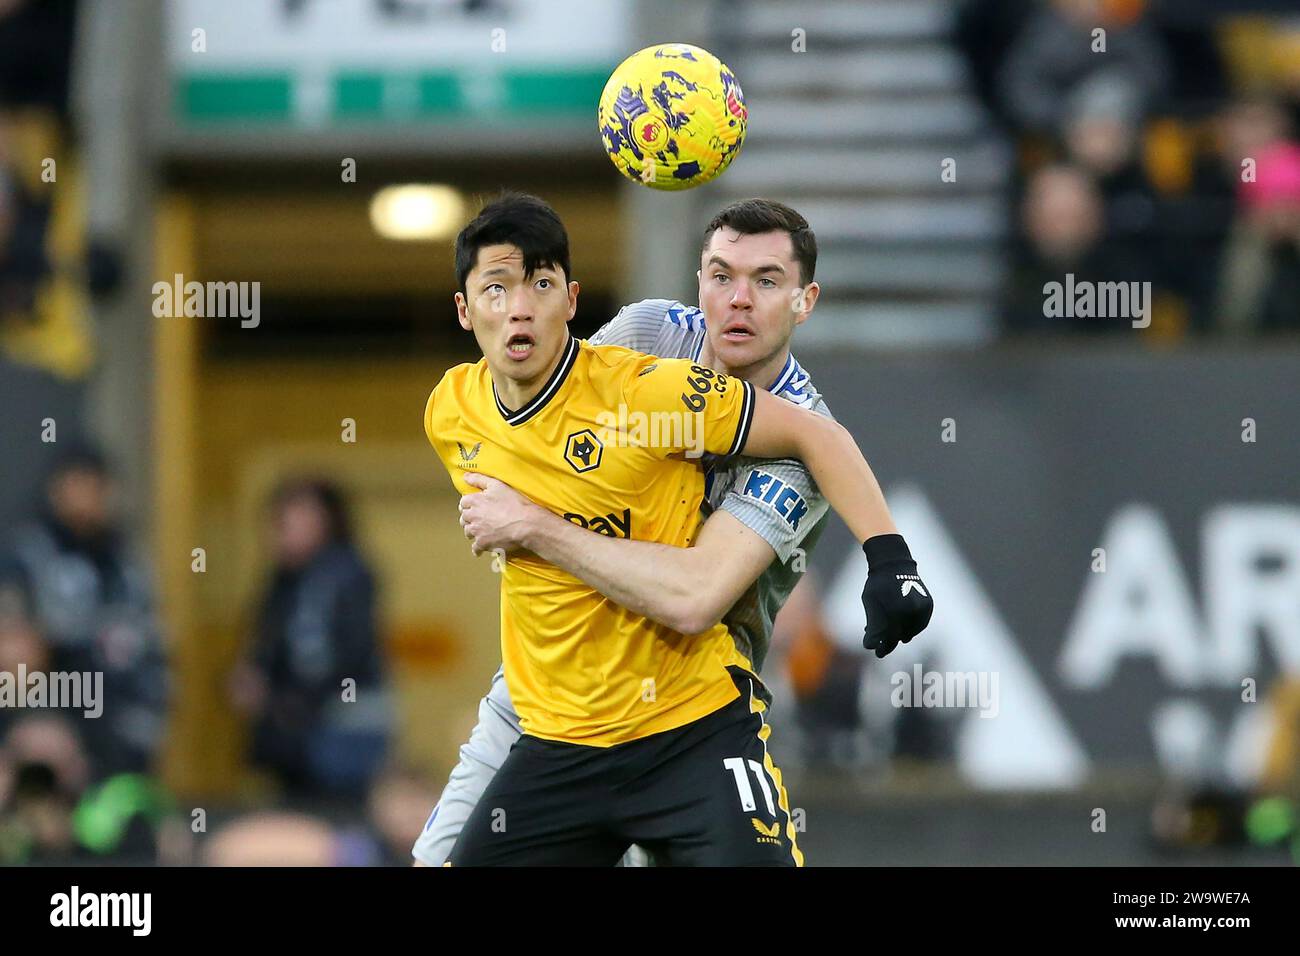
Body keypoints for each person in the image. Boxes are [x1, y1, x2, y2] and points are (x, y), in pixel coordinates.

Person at [420, 194, 933, 865]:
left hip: (682, 705)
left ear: (805, 301)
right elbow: (555, 415)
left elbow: (691, 598)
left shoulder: (800, 450)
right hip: (542, 695)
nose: (738, 300)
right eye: (721, 276)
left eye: (766, 281)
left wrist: (889, 557)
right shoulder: (646, 334)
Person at [229, 478, 389, 799]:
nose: (285, 531)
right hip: (294, 736)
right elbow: (267, 645)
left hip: (344, 730)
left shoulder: (346, 575)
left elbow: (349, 654)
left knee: (337, 814)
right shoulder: (282, 582)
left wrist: (287, 698)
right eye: (280, 522)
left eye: (297, 519)